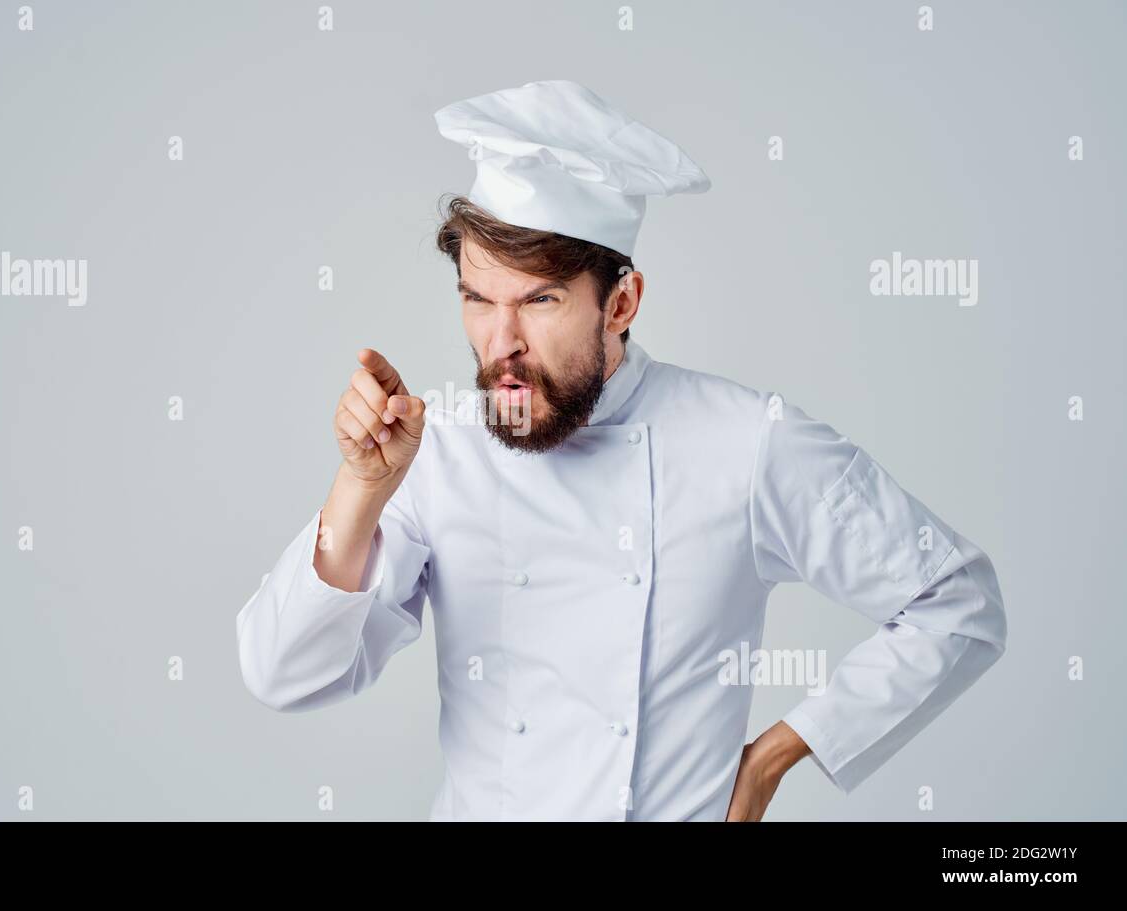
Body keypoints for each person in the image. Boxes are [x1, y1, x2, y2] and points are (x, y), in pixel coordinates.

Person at [236, 80, 1007, 821]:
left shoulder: (744, 442)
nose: (500, 345)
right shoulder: (439, 451)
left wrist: (779, 752)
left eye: (539, 300)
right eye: (478, 299)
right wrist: (361, 488)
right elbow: (285, 674)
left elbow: (958, 600)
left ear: (624, 302)